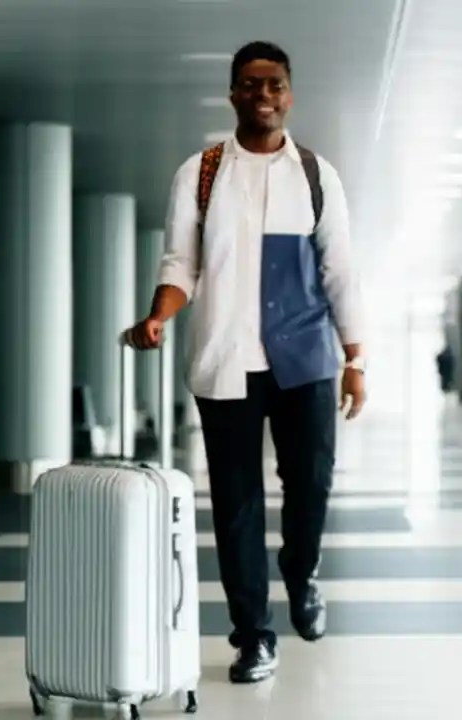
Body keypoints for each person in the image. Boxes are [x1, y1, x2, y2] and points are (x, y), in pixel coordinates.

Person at [125, 40, 367, 684]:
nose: (264, 95)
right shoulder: (201, 172)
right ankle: (254, 635)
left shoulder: (316, 173)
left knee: (310, 484)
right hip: (225, 357)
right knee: (234, 501)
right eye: (251, 84)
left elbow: (338, 267)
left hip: (306, 357)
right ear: (233, 92)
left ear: (290, 94)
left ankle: (301, 571)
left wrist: (355, 357)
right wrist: (159, 313)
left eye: (275, 85)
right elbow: (181, 262)